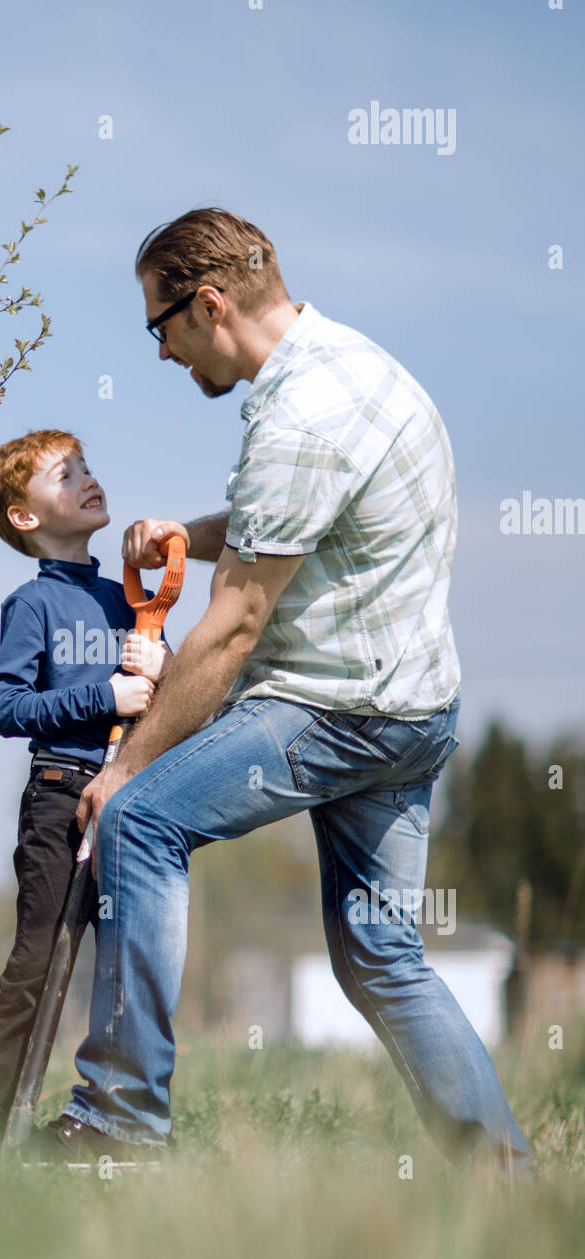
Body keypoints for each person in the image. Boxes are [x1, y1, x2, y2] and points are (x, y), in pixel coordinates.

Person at [34, 208, 533, 1182]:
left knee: (137, 823)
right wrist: (187, 530)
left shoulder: (297, 418)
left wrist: (124, 768)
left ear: (208, 304)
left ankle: (120, 1124)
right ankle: (498, 1173)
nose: (164, 354)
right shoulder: (352, 366)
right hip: (413, 711)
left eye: (160, 327)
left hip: (330, 713)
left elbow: (229, 631)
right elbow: (298, 520)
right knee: (377, 953)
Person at [0, 428, 169, 1161]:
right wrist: (103, 692)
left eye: (87, 467)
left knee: (124, 967)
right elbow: (6, 707)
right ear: (24, 517)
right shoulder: (33, 604)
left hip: (128, 798)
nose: (86, 480)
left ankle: (109, 1128)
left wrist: (157, 670)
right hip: (59, 793)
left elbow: (155, 703)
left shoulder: (125, 599)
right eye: (63, 475)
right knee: (38, 962)